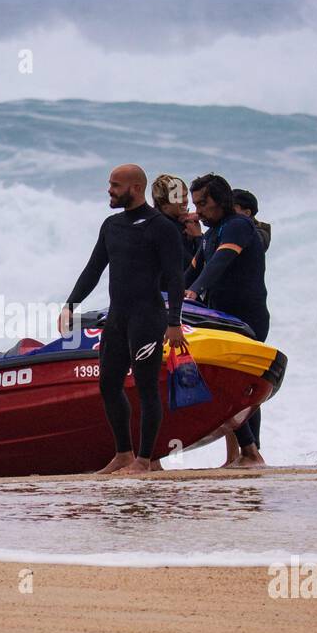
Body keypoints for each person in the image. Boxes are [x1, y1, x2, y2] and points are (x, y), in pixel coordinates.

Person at [61, 164, 188, 475]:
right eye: (110, 184)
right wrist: (70, 305)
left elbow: (175, 279)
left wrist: (174, 323)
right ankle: (123, 454)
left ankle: (144, 461)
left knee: (146, 387)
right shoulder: (111, 226)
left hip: (148, 317)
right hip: (118, 317)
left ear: (135, 188)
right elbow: (93, 269)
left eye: (115, 185)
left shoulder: (162, 228)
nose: (109, 190)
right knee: (108, 384)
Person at [183, 174, 269, 467]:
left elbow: (220, 263)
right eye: (196, 204)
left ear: (221, 200)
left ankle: (251, 453)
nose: (199, 210)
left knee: (242, 387)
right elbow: (192, 272)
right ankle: (245, 453)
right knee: (222, 385)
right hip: (222, 319)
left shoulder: (239, 226)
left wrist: (194, 291)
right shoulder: (210, 234)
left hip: (247, 318)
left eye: (204, 203)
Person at [152, 173, 203, 273]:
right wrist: (198, 237)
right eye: (178, 197)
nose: (185, 201)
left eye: (185, 195)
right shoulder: (163, 229)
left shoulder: (181, 224)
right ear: (163, 203)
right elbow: (195, 267)